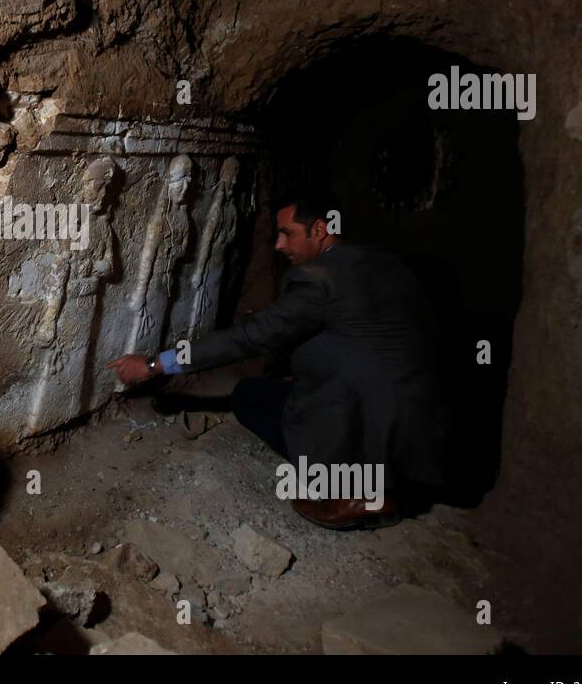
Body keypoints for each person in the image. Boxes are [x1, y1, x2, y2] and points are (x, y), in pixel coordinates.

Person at [106, 191, 447, 530]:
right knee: (275, 387)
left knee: (249, 398)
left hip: (374, 415)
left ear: (319, 230)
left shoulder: (319, 280)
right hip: (422, 426)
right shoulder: (383, 262)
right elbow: (369, 340)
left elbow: (249, 338)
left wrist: (155, 364)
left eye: (287, 233)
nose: (280, 246)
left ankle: (351, 491)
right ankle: (389, 479)